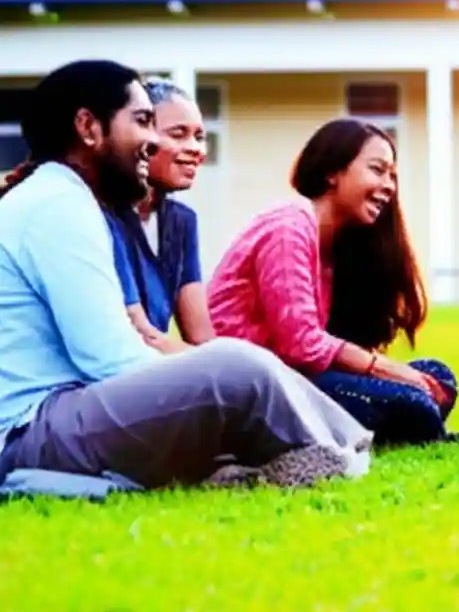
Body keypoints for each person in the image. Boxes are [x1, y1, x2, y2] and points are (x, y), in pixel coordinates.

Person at [0, 60, 371, 491]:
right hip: (31, 431)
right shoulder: (57, 205)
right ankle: (335, 457)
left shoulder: (66, 200)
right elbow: (107, 359)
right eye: (142, 122)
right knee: (234, 368)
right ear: (88, 126)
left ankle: (338, 449)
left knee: (232, 369)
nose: (151, 141)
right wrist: (203, 382)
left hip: (61, 417)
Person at [207, 118, 458, 447]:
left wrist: (398, 373)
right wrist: (386, 370)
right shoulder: (289, 227)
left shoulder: (337, 247)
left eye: (392, 175)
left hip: (298, 380)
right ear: (332, 172)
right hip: (255, 388)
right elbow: (301, 345)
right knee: (412, 405)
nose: (389, 186)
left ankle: (393, 429)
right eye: (377, 170)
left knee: (437, 375)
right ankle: (410, 429)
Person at [105, 77, 214, 352]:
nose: (196, 150)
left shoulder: (181, 222)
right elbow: (139, 337)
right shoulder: (103, 217)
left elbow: (200, 336)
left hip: (162, 368)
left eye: (200, 137)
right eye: (178, 134)